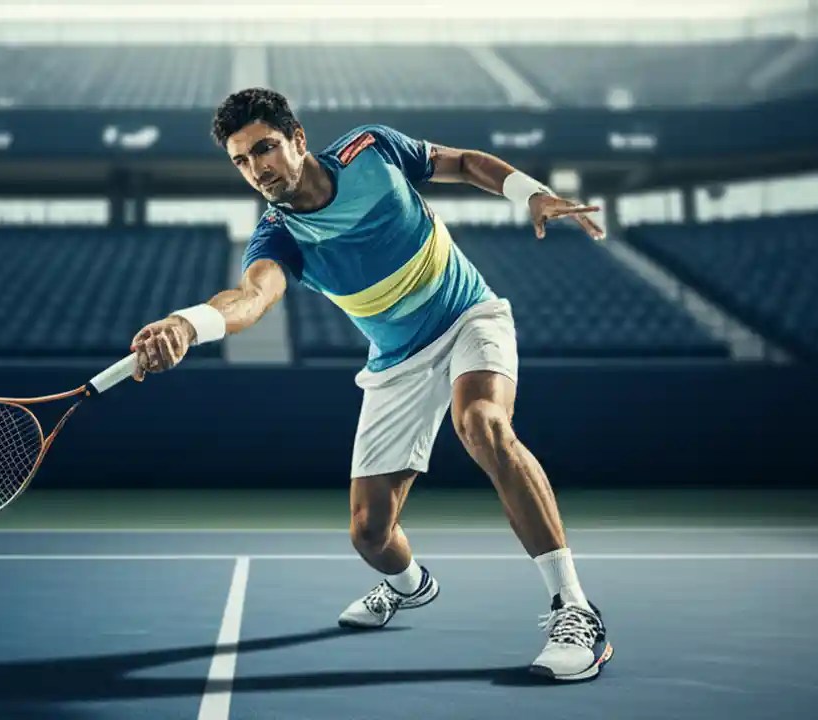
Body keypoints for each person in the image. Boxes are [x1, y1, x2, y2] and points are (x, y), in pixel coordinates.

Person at [129, 87, 613, 682]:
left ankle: (576, 609)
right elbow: (251, 298)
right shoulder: (279, 236)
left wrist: (530, 192)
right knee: (369, 534)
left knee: (481, 423)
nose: (258, 169)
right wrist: (188, 323)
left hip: (468, 317)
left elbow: (461, 163)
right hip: (396, 362)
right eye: (242, 161)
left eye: (266, 149)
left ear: (298, 139)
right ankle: (410, 587)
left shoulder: (372, 150)